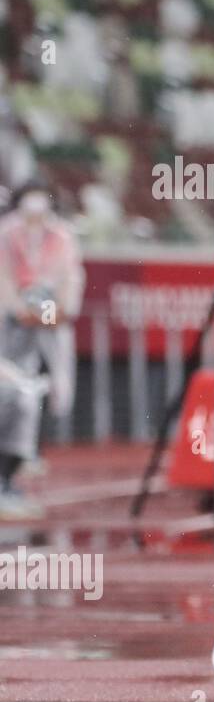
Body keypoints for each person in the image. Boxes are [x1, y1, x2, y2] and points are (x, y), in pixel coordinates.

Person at [0, 181, 85, 514]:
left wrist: (48, 314)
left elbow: (68, 281)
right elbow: (5, 282)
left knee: (42, 391)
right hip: (10, 326)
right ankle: (9, 471)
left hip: (47, 321)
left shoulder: (61, 237)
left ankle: (23, 459)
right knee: (15, 393)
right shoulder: (6, 235)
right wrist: (20, 311)